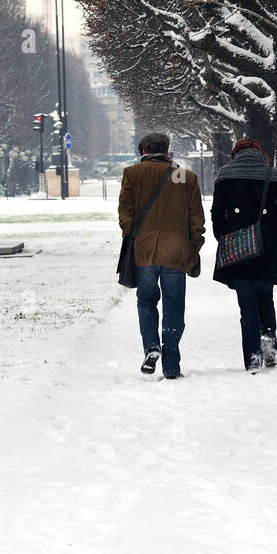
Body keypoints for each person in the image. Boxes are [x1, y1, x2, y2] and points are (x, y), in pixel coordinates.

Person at [118, 132, 205, 379]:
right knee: (174, 307)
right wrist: (193, 245)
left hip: (144, 252)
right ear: (167, 151)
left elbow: (125, 212)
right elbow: (196, 219)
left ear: (143, 151)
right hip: (176, 252)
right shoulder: (183, 177)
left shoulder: (132, 174)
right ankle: (171, 364)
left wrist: (133, 236)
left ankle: (151, 346)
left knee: (146, 301)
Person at [211, 137, 277, 372]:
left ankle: (252, 356)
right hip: (268, 249)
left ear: (235, 154)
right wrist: (275, 239)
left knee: (247, 304)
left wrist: (225, 238)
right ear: (259, 153)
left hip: (238, 250)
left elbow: (217, 214)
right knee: (266, 298)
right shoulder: (273, 175)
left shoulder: (225, 175)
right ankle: (269, 344)